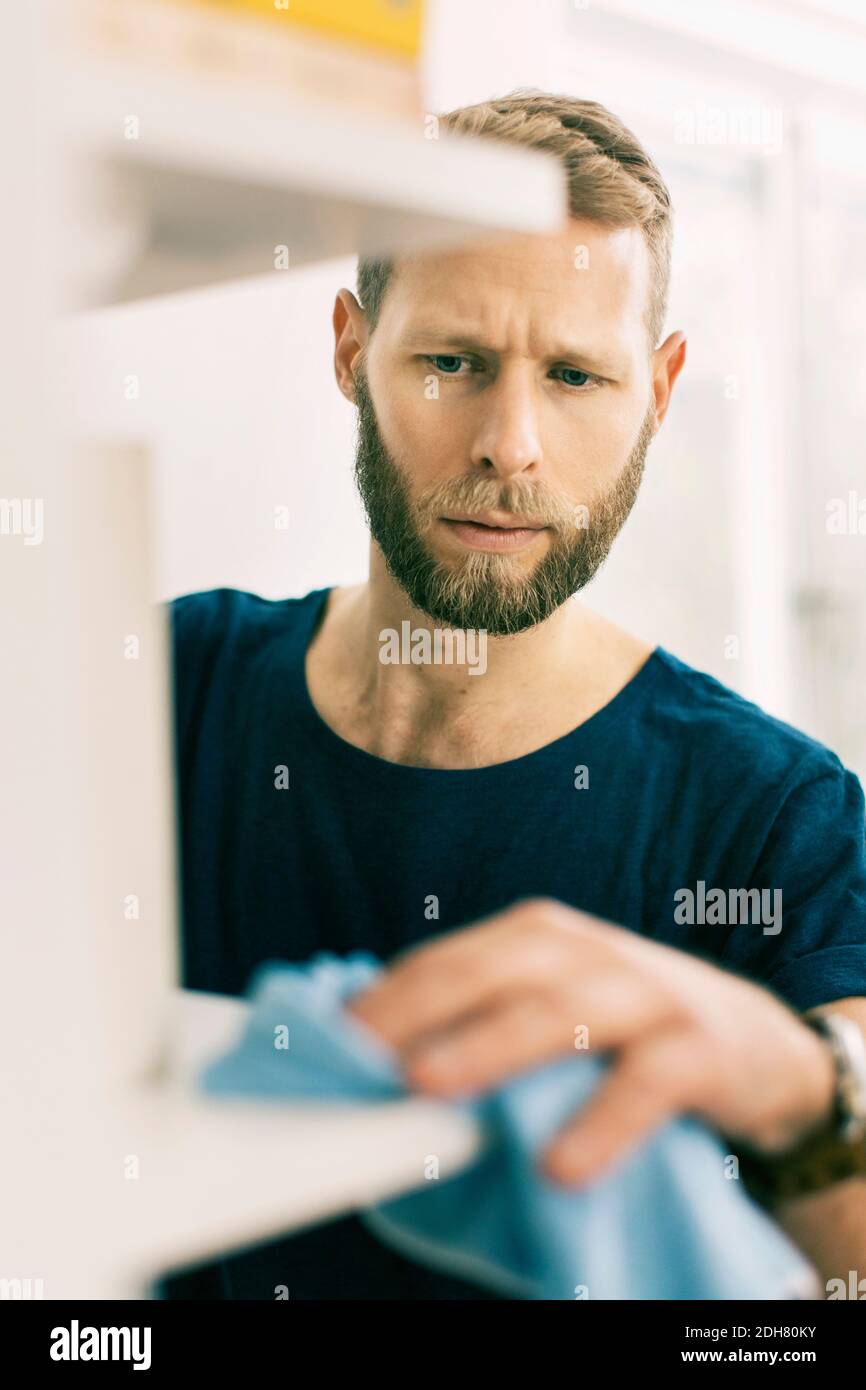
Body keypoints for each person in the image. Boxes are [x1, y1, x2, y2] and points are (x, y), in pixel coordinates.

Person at [161, 92, 866, 1300]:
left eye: (577, 377)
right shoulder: (169, 688)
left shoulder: (775, 818)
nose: (511, 444)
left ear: (657, 387)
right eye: (452, 361)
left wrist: (801, 1086)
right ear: (349, 348)